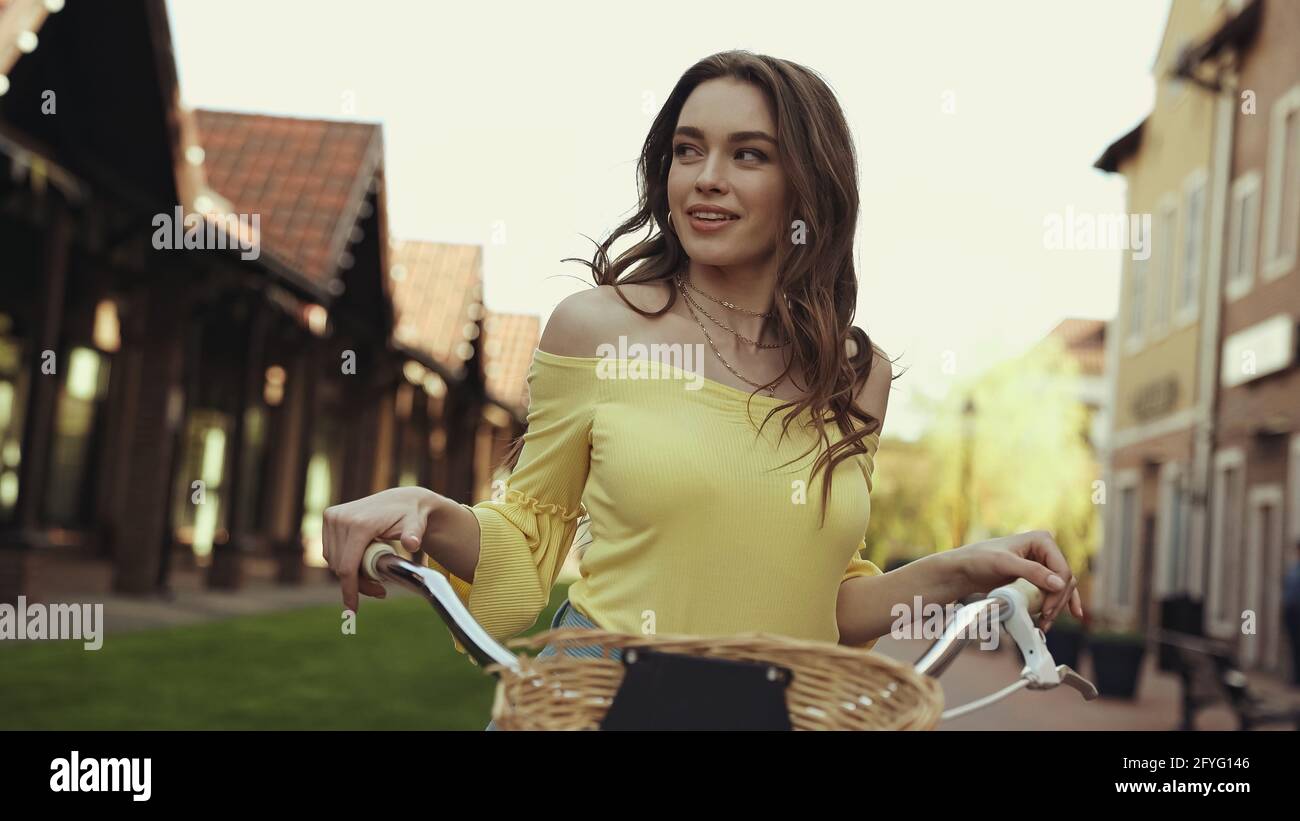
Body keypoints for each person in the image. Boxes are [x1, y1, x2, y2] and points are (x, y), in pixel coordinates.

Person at [320, 50, 1084, 727]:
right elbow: (528, 545)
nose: (706, 178)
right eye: (688, 151)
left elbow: (824, 598)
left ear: (806, 186)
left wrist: (963, 567)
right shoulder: (595, 329)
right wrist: (428, 509)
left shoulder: (854, 371)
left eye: (748, 154)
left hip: (785, 714)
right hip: (602, 705)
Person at [1284, 540, 1300, 686]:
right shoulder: (1294, 568)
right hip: (1290, 611)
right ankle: (1295, 677)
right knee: (1294, 645)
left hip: (1297, 612)